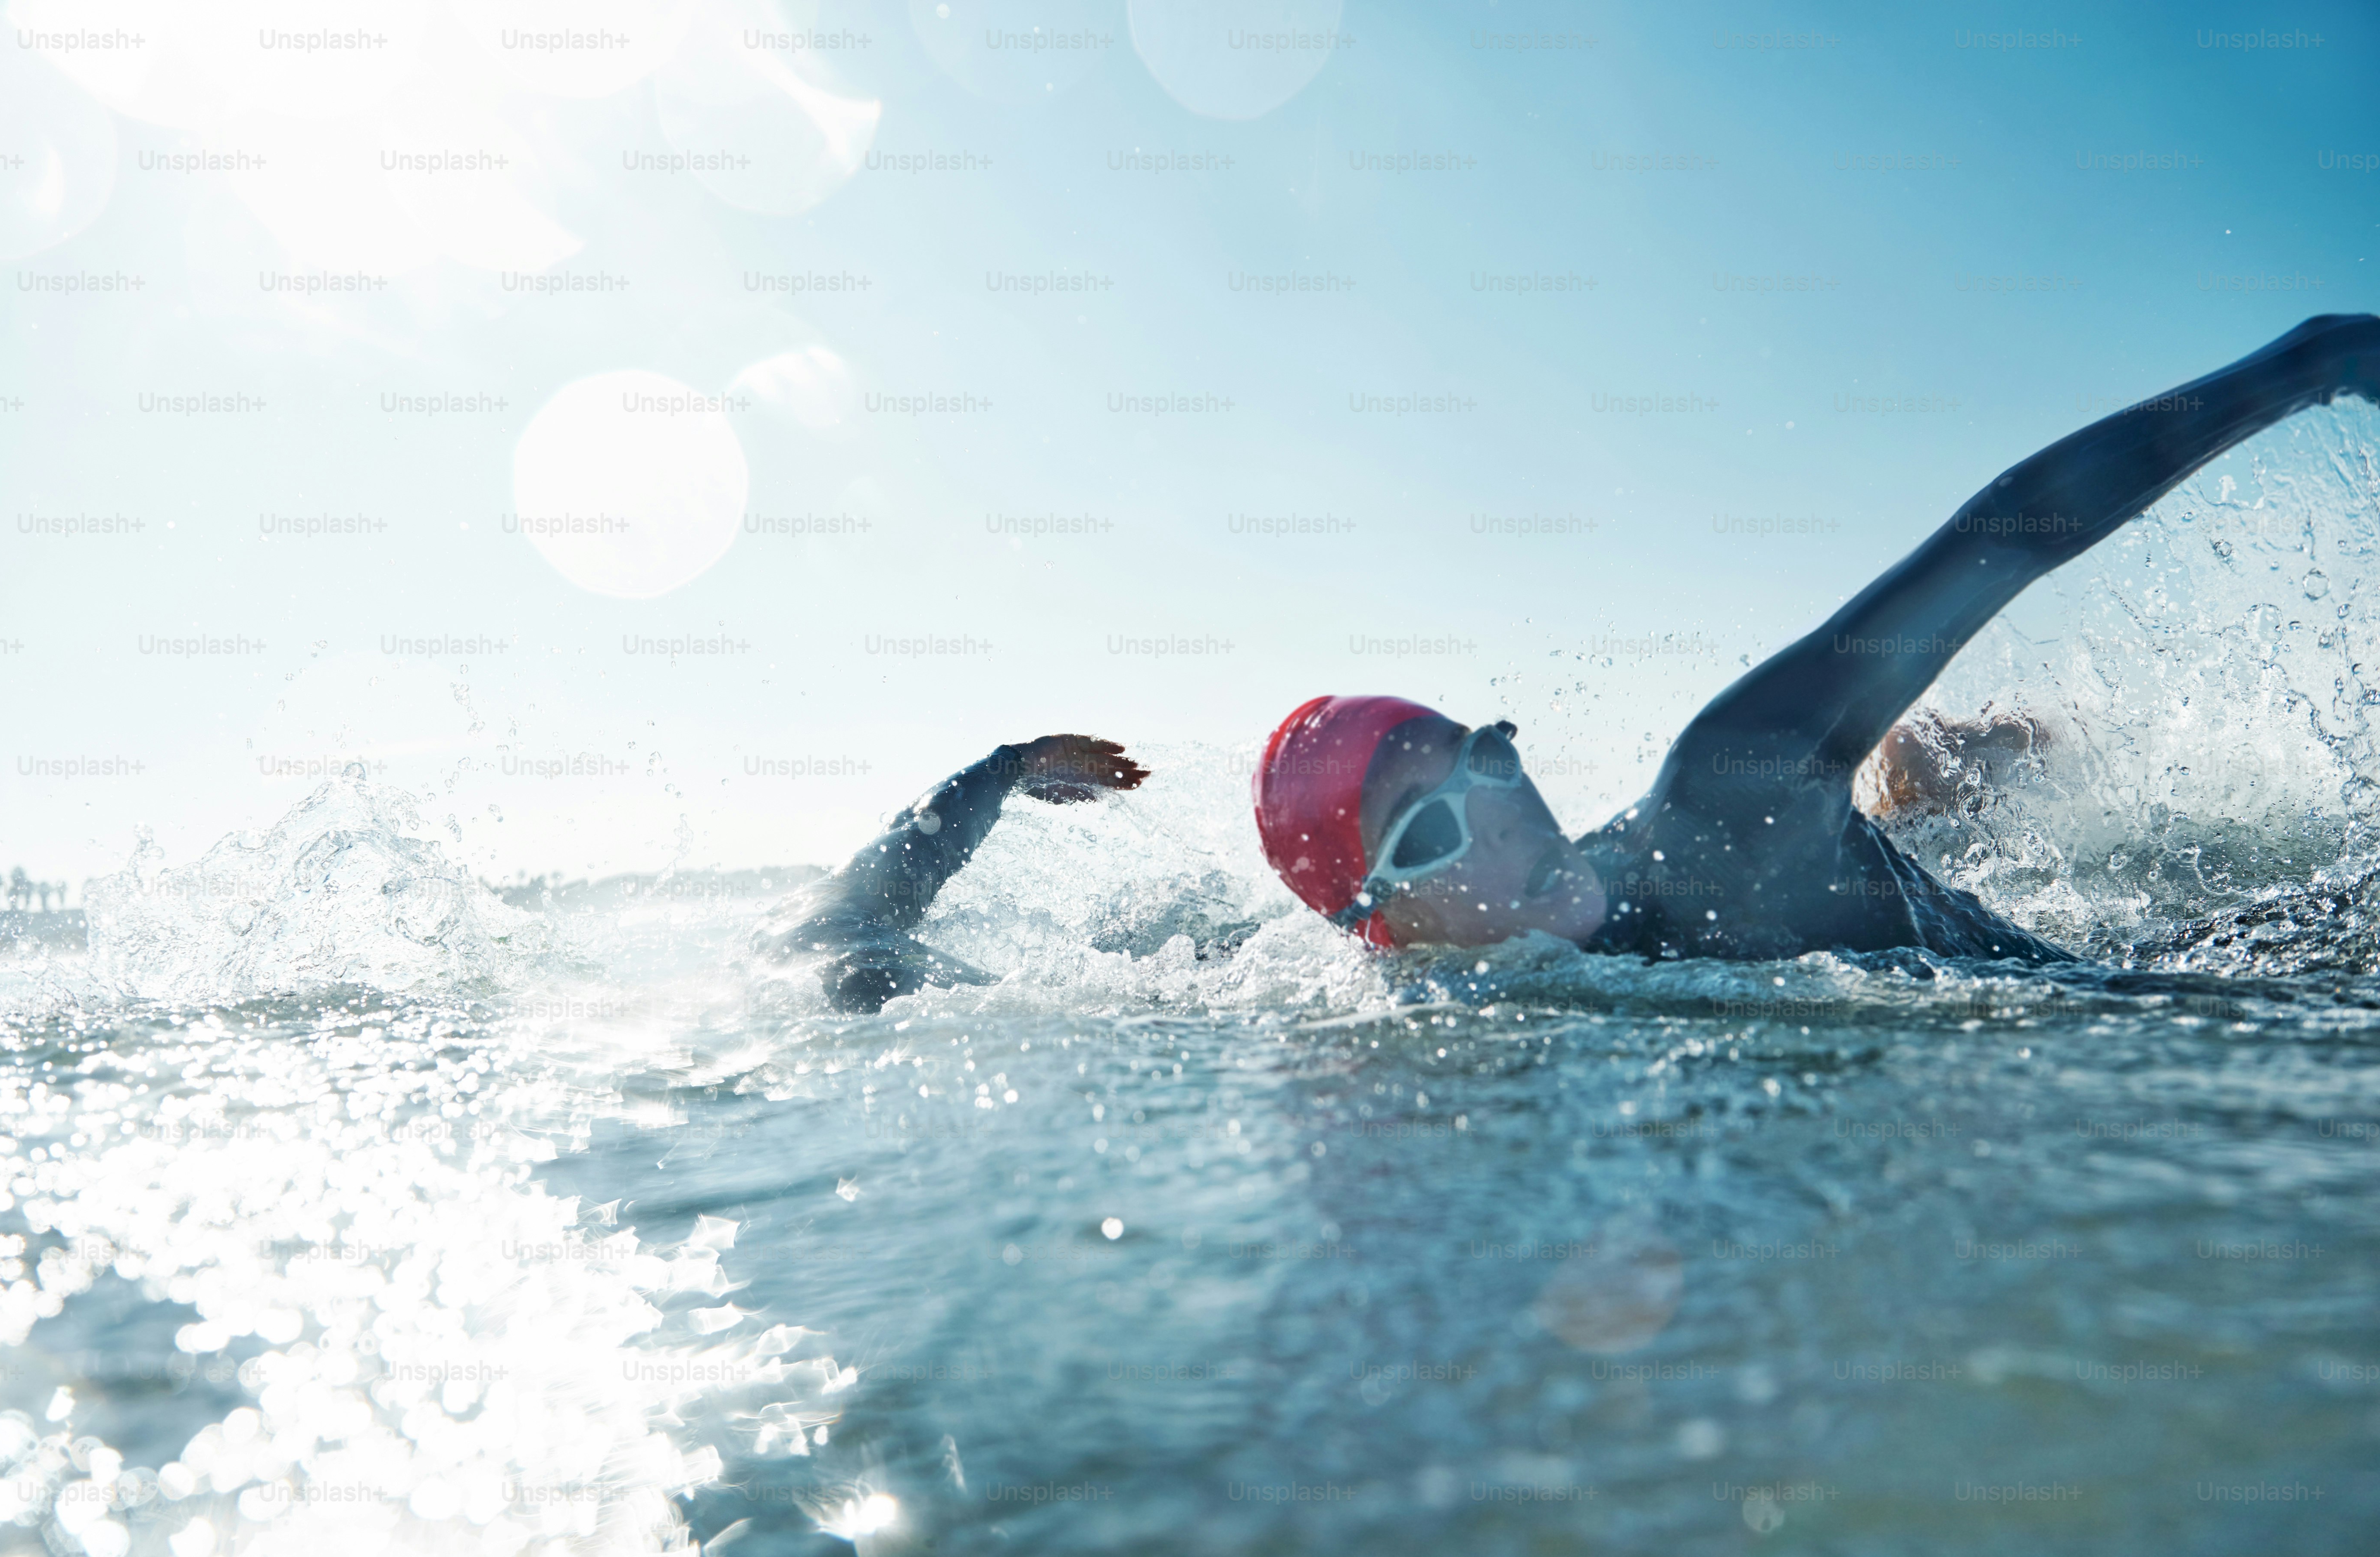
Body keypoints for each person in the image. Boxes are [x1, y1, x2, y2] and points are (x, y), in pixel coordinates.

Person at [1254, 314, 2380, 963]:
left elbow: (2004, 539)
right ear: (1381, 932)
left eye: (1488, 759)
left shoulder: (1716, 805)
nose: (1510, 815)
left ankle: (1933, 785)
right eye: (1437, 824)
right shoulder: (1450, 1022)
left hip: (2167, 986)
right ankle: (1927, 788)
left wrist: (2311, 362)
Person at [751, 736, 1147, 1011]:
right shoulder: (845, 911)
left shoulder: (781, 933)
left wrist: (1010, 766)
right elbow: (921, 836)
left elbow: (915, 839)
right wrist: (1011, 764)